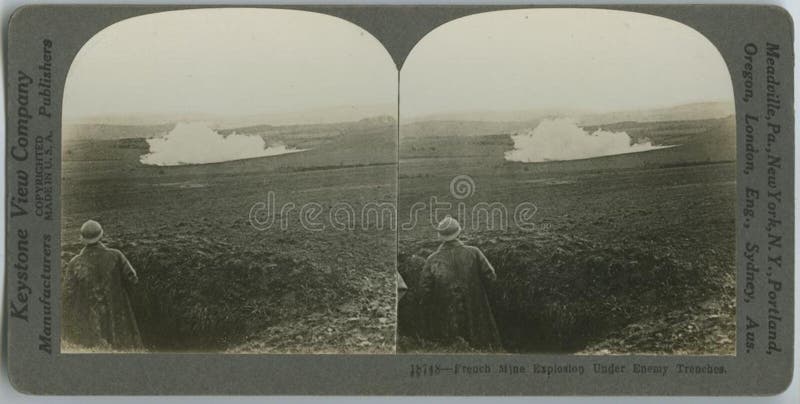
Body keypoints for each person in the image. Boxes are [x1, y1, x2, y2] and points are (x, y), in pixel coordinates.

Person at [418, 216, 502, 351]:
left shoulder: (432, 260)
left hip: (447, 321)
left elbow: (424, 291)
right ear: (458, 233)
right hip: (477, 314)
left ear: (440, 236)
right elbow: (491, 277)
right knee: (483, 348)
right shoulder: (474, 252)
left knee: (453, 348)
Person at [62, 220, 144, 351]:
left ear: (82, 239)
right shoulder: (116, 255)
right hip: (118, 315)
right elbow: (133, 279)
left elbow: (67, 294)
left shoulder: (75, 263)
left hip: (89, 320)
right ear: (102, 236)